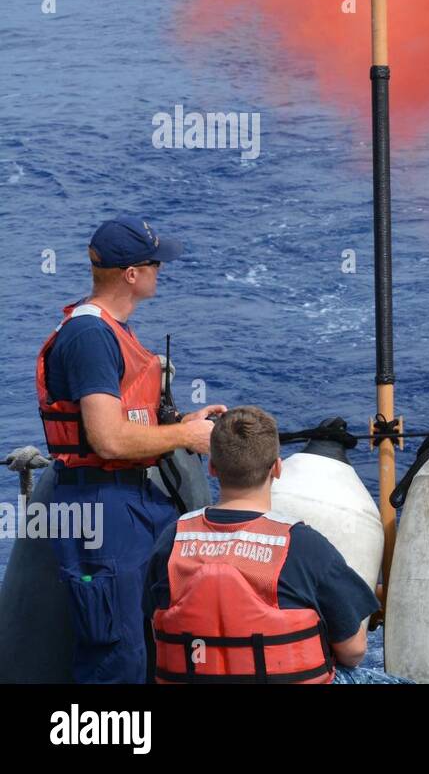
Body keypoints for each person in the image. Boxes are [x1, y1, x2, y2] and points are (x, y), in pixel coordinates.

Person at [36, 214, 225, 683]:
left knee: (147, 635)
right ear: (131, 274)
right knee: (115, 655)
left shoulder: (111, 331)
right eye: (154, 263)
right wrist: (184, 438)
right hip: (102, 507)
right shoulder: (91, 336)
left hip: (130, 500)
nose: (161, 270)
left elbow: (126, 423)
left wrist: (183, 422)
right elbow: (108, 438)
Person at [144, 406, 405, 683]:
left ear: (211, 467)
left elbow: (155, 630)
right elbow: (353, 652)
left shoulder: (172, 540)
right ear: (277, 468)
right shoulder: (304, 546)